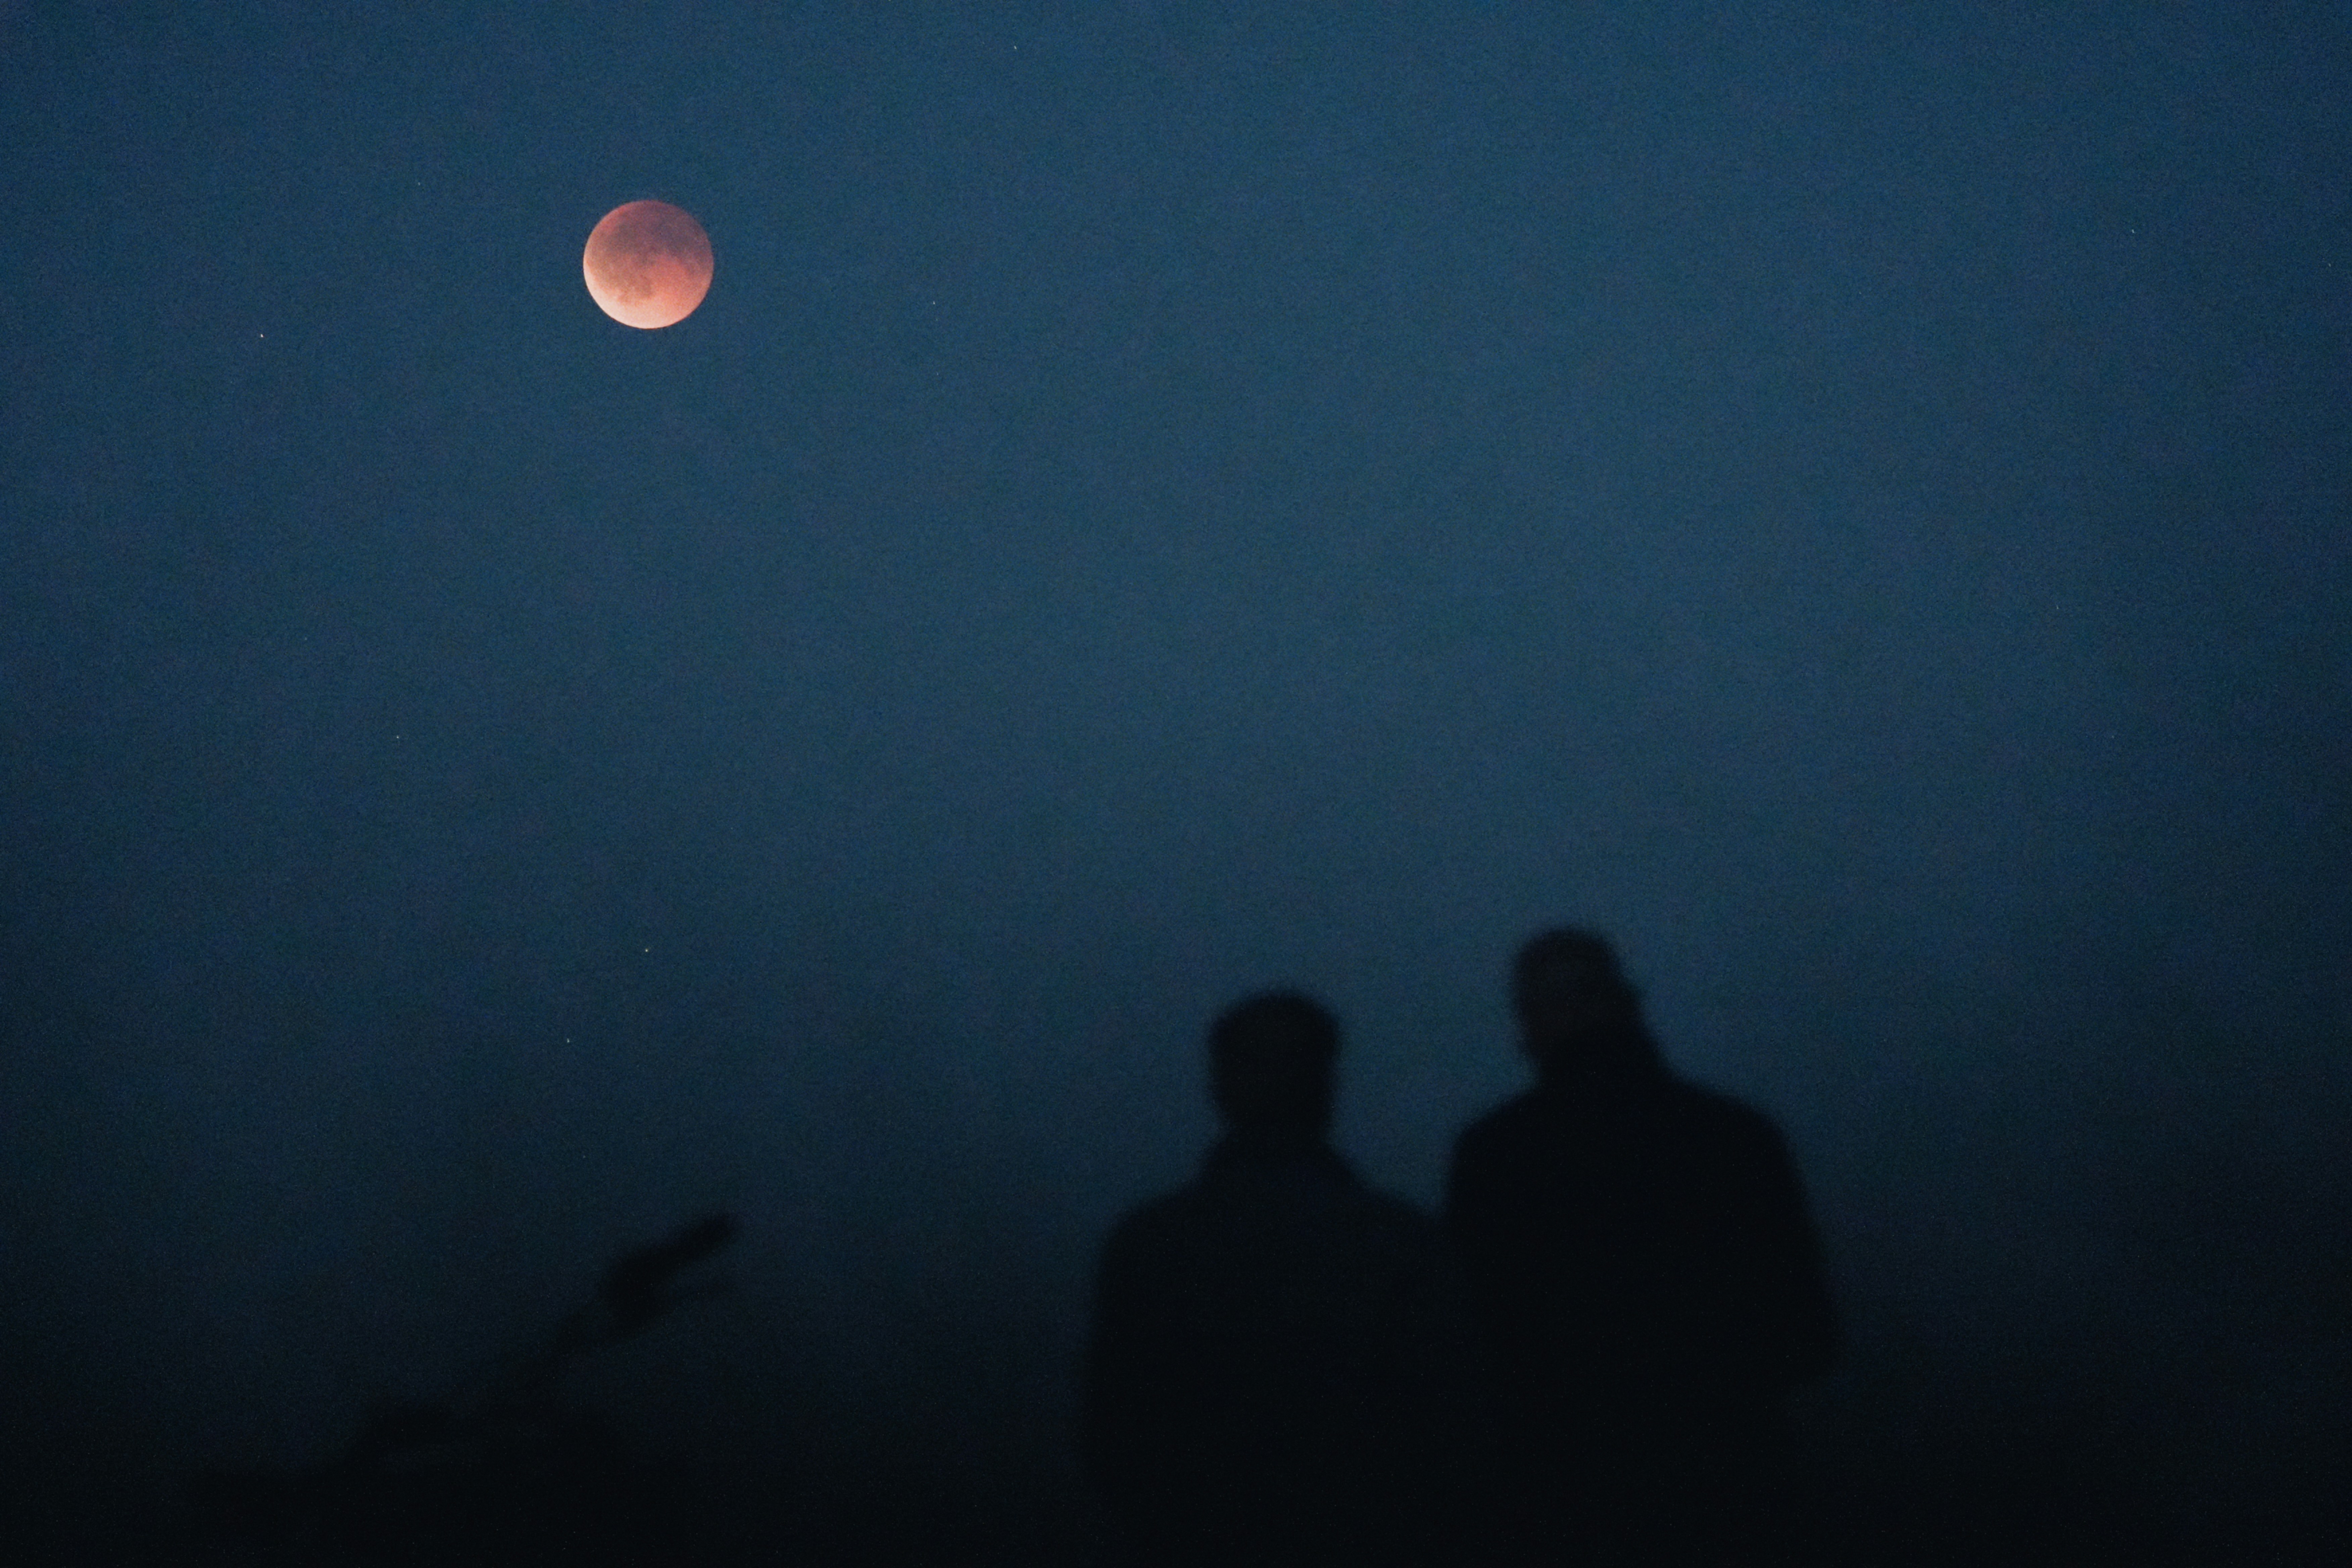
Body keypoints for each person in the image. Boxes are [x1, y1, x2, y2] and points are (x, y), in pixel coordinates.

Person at [1445, 930, 1839, 1566]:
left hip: (1566, 1513)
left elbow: (1472, 1351)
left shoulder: (1496, 1155)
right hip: (1735, 1502)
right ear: (1630, 1004)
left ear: (1533, 1021)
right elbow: (1811, 1338)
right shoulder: (1737, 1140)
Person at [1083, 992, 1482, 1567]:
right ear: (1328, 1089)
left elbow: (1111, 1438)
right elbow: (1453, 1436)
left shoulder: (1152, 1243)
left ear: (1219, 1087)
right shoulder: (1401, 1245)